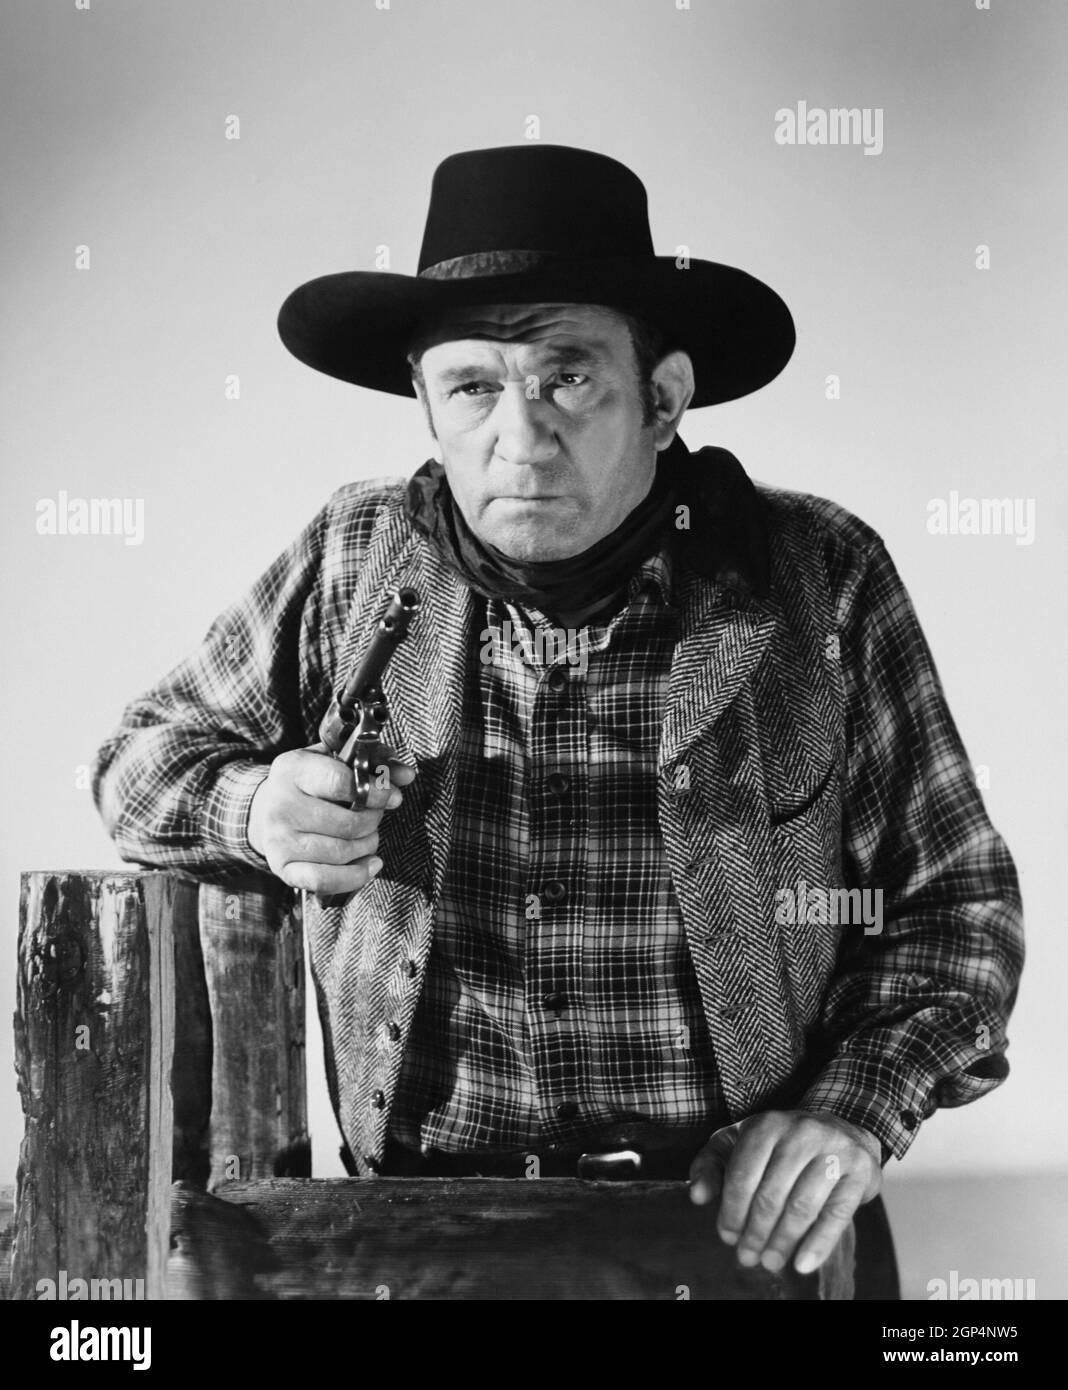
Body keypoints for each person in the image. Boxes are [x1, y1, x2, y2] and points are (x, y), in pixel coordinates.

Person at [92, 144, 1023, 1298]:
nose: (519, 439)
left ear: (665, 396)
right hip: (416, 1241)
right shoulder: (353, 557)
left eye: (569, 378)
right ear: (426, 401)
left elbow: (958, 912)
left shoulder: (817, 578)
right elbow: (137, 766)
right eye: (474, 387)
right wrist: (256, 803)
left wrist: (849, 1115)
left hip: (737, 1235)